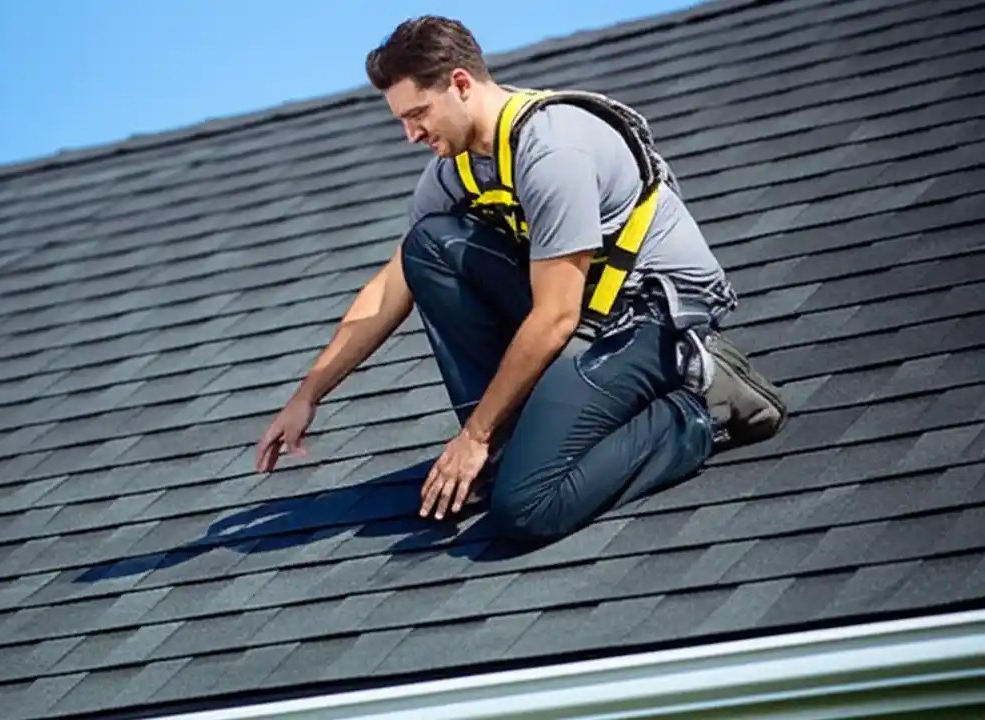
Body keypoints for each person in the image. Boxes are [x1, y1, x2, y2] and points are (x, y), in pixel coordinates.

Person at [253, 15, 786, 544]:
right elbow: (391, 287)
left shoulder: (552, 150)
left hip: (651, 322)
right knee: (428, 246)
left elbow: (556, 317)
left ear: (461, 84)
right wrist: (309, 395)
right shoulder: (458, 167)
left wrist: (472, 435)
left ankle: (697, 406)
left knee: (528, 506)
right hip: (586, 320)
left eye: (417, 114)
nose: (410, 135)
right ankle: (508, 444)